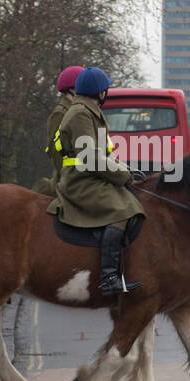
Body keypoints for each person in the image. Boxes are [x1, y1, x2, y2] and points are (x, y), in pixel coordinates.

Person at [46, 67, 145, 295]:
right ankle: (109, 276)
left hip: (89, 175)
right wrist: (122, 176)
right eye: (106, 88)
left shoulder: (88, 110)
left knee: (131, 198)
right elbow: (90, 156)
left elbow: (103, 154)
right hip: (81, 181)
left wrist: (127, 170)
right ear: (99, 91)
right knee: (123, 210)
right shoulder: (81, 113)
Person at [32, 65, 83, 196]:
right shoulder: (61, 113)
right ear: (72, 90)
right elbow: (55, 151)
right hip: (70, 180)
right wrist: (74, 177)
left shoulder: (79, 111)